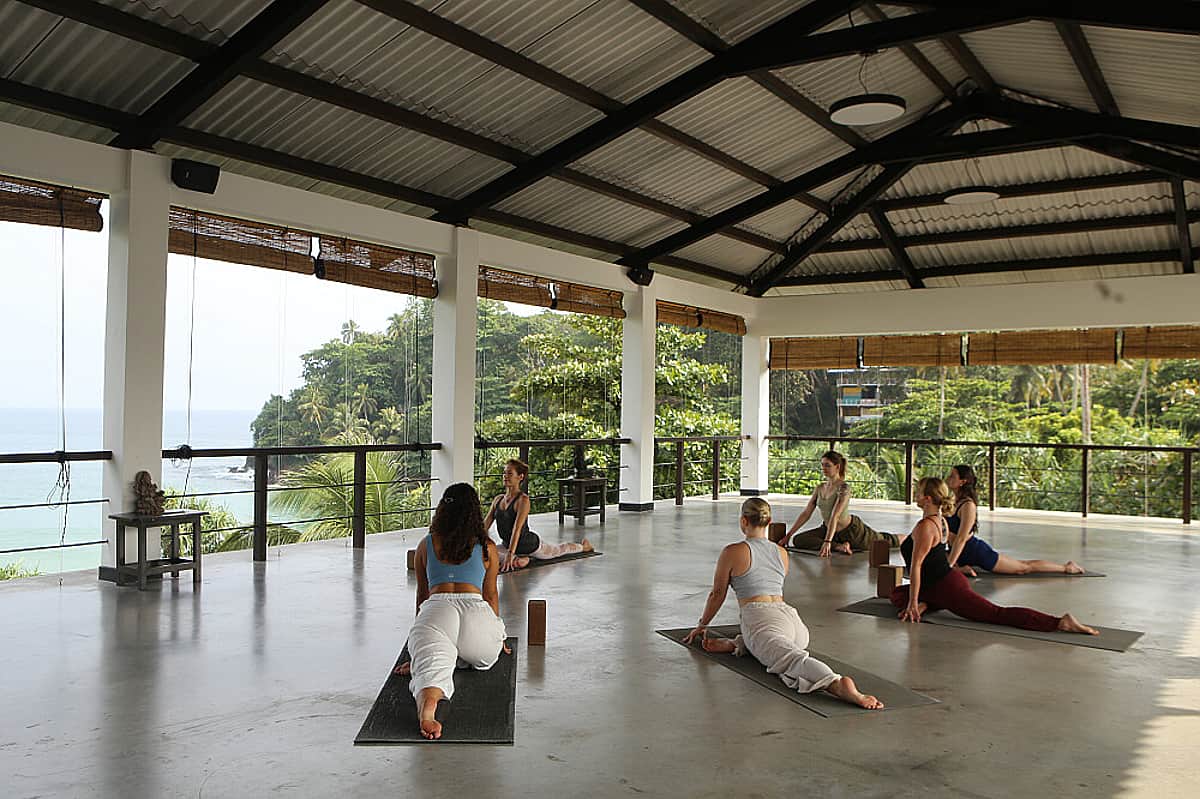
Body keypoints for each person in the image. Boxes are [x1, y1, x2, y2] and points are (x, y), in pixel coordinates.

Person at [683, 498, 884, 709]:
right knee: (774, 647)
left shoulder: (733, 551)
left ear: (743, 521)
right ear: (769, 522)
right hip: (792, 622)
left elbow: (717, 594)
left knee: (791, 662)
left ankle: (837, 684)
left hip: (761, 619)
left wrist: (702, 625)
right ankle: (740, 644)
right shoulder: (782, 553)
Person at [891, 477, 1098, 635]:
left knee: (995, 614)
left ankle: (1060, 622)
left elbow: (917, 566)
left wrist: (912, 604)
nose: (915, 494)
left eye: (918, 492)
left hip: (946, 587)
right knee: (897, 594)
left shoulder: (926, 527)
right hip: (940, 583)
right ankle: (928, 602)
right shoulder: (940, 520)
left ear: (927, 499)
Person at [395, 483, 509, 740]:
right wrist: (498, 636)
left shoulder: (426, 545)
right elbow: (490, 595)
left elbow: (423, 598)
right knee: (480, 657)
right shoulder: (488, 547)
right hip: (476, 615)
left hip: (437, 610)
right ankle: (455, 654)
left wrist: (417, 650)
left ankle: (429, 701)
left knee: (431, 665)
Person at [945, 465, 1084, 576]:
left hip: (974, 551)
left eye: (952, 476)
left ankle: (1066, 567)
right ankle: (963, 568)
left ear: (962, 482)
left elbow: (961, 539)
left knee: (1022, 567)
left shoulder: (968, 506)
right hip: (958, 551)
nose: (948, 478)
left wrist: (949, 566)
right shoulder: (953, 502)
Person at [782, 450, 904, 557]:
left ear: (837, 467)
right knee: (799, 540)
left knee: (885, 540)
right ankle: (839, 546)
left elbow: (835, 516)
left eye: (828, 466)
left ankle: (908, 537)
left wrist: (827, 542)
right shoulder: (820, 488)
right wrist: (789, 535)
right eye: (822, 465)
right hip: (828, 529)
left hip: (851, 532)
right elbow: (806, 513)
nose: (824, 468)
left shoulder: (844, 487)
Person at [484, 458, 592, 571]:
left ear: (520, 477)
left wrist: (510, 555)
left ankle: (584, 547)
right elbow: (484, 526)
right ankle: (521, 559)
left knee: (558, 550)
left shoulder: (523, 500)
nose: (505, 476)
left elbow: (517, 529)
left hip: (527, 544)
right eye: (504, 473)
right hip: (507, 544)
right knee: (486, 552)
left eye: (510, 473)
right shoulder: (498, 500)